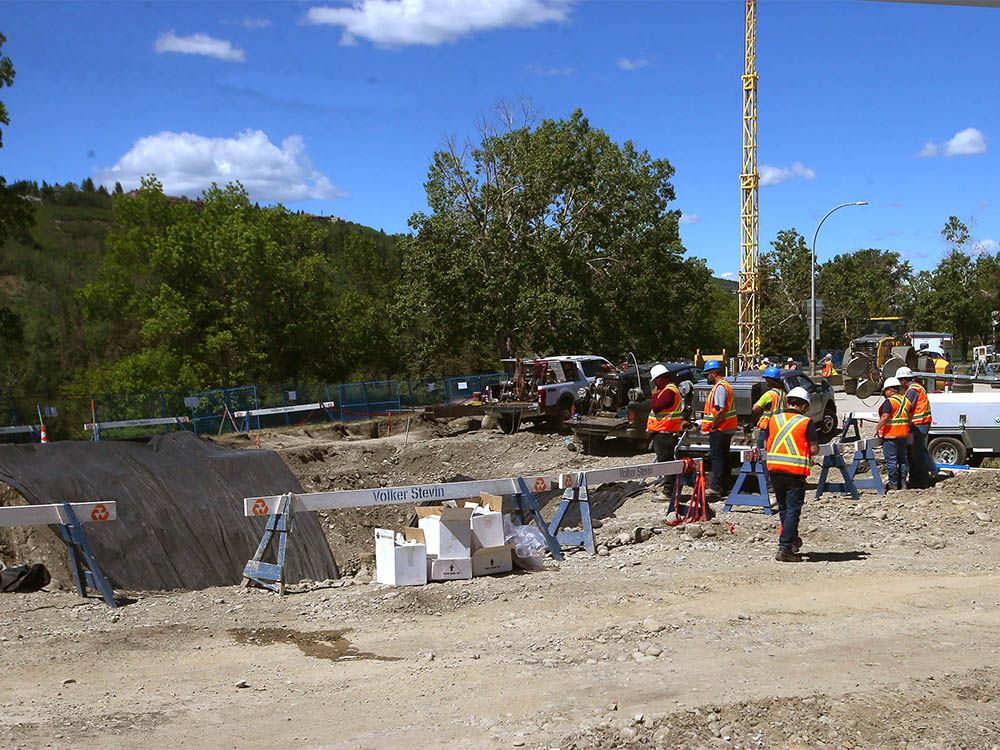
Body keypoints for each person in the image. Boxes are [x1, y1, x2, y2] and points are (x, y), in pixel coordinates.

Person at [765, 386, 819, 562]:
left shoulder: (774, 419)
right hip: (794, 472)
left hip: (774, 469)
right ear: (803, 406)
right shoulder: (805, 422)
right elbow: (814, 448)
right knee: (793, 510)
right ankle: (786, 546)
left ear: (788, 402)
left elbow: (767, 444)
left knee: (784, 508)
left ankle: (792, 541)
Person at [646, 364, 686, 501]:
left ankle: (668, 492)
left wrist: (654, 395)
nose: (655, 384)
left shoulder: (669, 391)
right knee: (665, 461)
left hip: (665, 432)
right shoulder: (667, 390)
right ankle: (669, 488)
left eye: (656, 381)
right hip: (663, 431)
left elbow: (656, 407)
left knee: (666, 462)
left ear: (660, 379)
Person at [702, 360, 737, 497]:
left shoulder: (720, 387)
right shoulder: (724, 386)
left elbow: (720, 411)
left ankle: (716, 487)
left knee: (717, 457)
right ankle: (724, 486)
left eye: (707, 374)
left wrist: (713, 426)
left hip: (720, 428)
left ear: (714, 373)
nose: (706, 377)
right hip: (726, 427)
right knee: (724, 457)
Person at [896, 366, 934, 488]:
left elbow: (906, 407)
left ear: (903, 380)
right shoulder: (918, 387)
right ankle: (932, 472)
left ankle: (922, 479)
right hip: (922, 423)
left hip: (919, 425)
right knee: (920, 450)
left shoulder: (912, 390)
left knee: (916, 452)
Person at [877, 377, 911, 490]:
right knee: (902, 460)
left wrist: (877, 428)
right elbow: (910, 418)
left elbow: (885, 416)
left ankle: (893, 485)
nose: (885, 394)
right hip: (903, 435)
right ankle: (903, 483)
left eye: (885, 391)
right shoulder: (906, 401)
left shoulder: (890, 401)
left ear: (891, 390)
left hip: (891, 435)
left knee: (891, 460)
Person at [751, 366, 785, 449]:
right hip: (780, 425)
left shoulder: (769, 394)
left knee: (762, 451)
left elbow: (755, 408)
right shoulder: (783, 394)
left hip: (767, 426)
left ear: (769, 380)